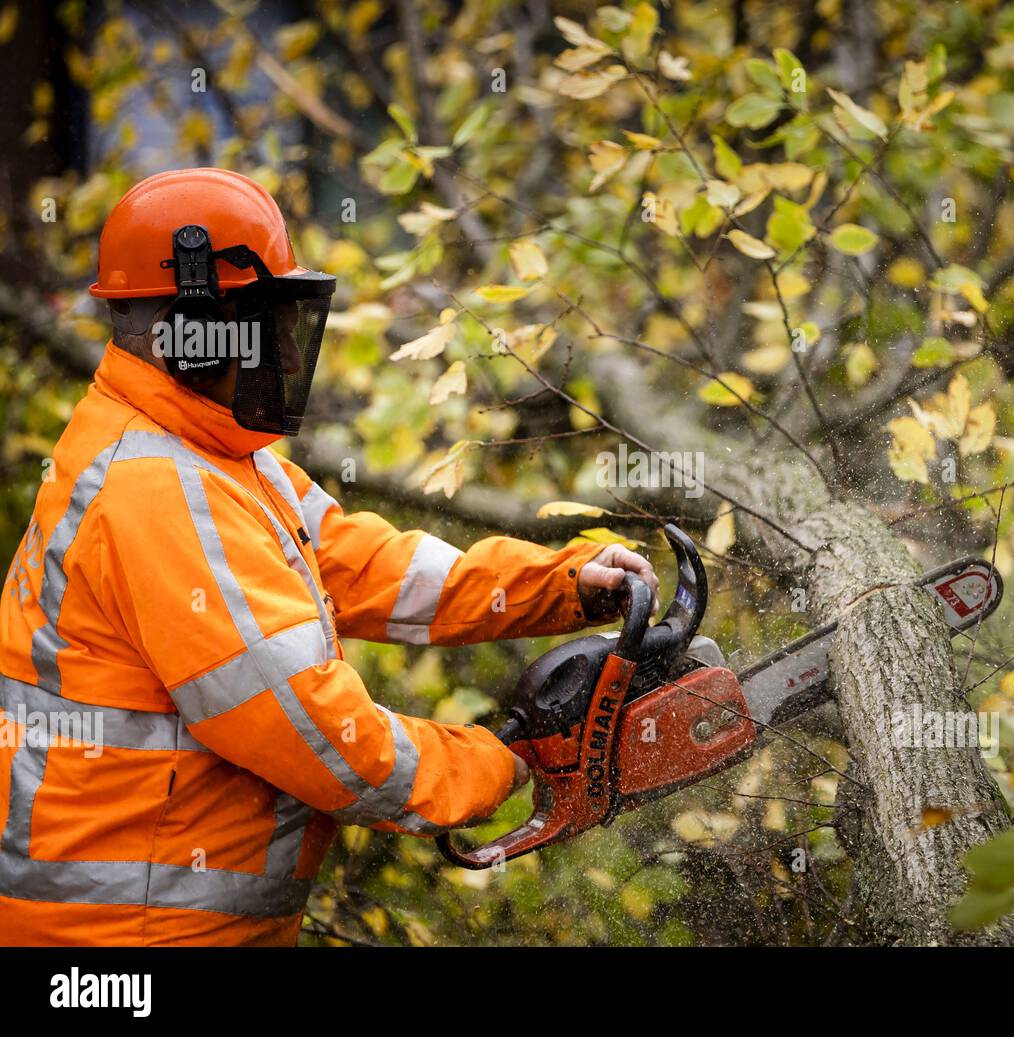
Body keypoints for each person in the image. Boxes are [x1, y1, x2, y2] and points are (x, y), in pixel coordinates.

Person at [0, 168, 658, 946]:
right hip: (123, 937)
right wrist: (496, 763)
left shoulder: (211, 448)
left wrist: (558, 585)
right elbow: (315, 732)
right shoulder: (157, 489)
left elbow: (364, 565)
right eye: (265, 322)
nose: (281, 348)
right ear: (200, 325)